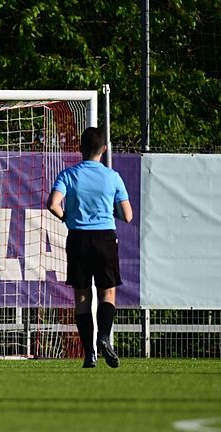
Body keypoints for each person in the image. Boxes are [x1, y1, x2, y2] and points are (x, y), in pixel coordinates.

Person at [46, 126, 133, 368]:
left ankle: (89, 353)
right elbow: (127, 215)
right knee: (107, 293)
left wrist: (67, 217)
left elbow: (52, 203)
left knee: (83, 296)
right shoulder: (112, 177)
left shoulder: (69, 174)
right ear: (104, 150)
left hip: (78, 239)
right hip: (105, 238)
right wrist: (106, 209)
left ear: (80, 149)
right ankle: (104, 336)